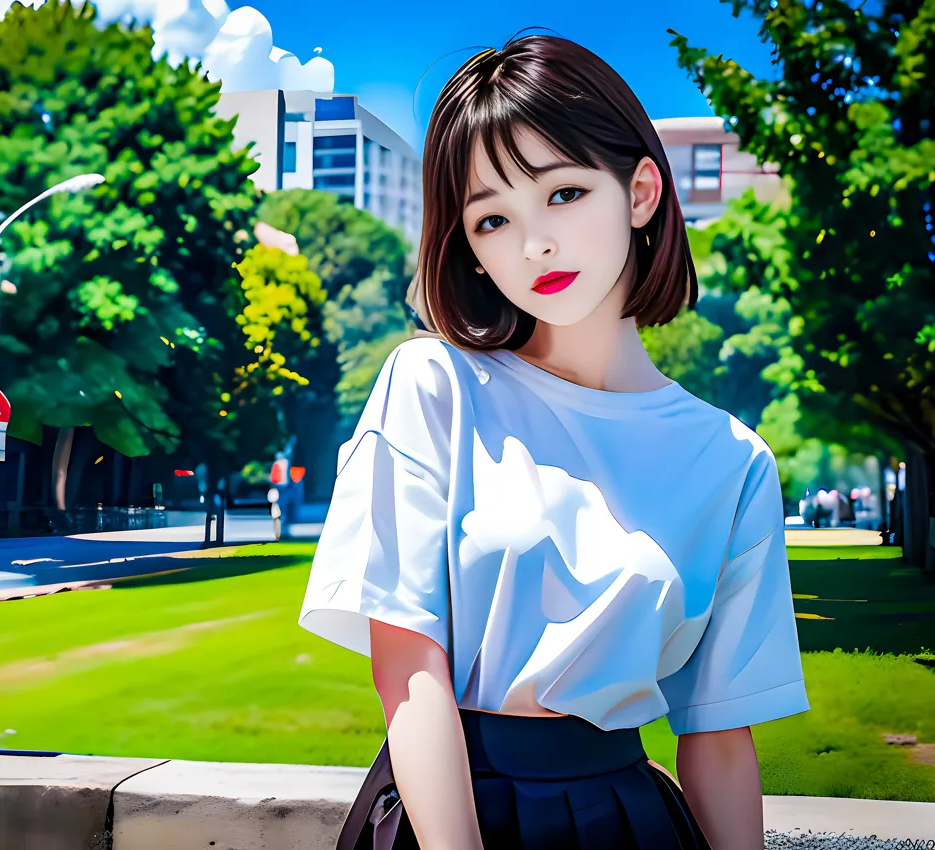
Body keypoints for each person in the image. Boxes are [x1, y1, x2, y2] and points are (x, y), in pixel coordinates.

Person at [299, 35, 809, 850]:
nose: (533, 244)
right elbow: (407, 670)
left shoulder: (733, 460)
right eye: (493, 217)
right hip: (446, 816)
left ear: (640, 191)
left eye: (565, 194)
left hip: (629, 821)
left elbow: (715, 733)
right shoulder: (434, 385)